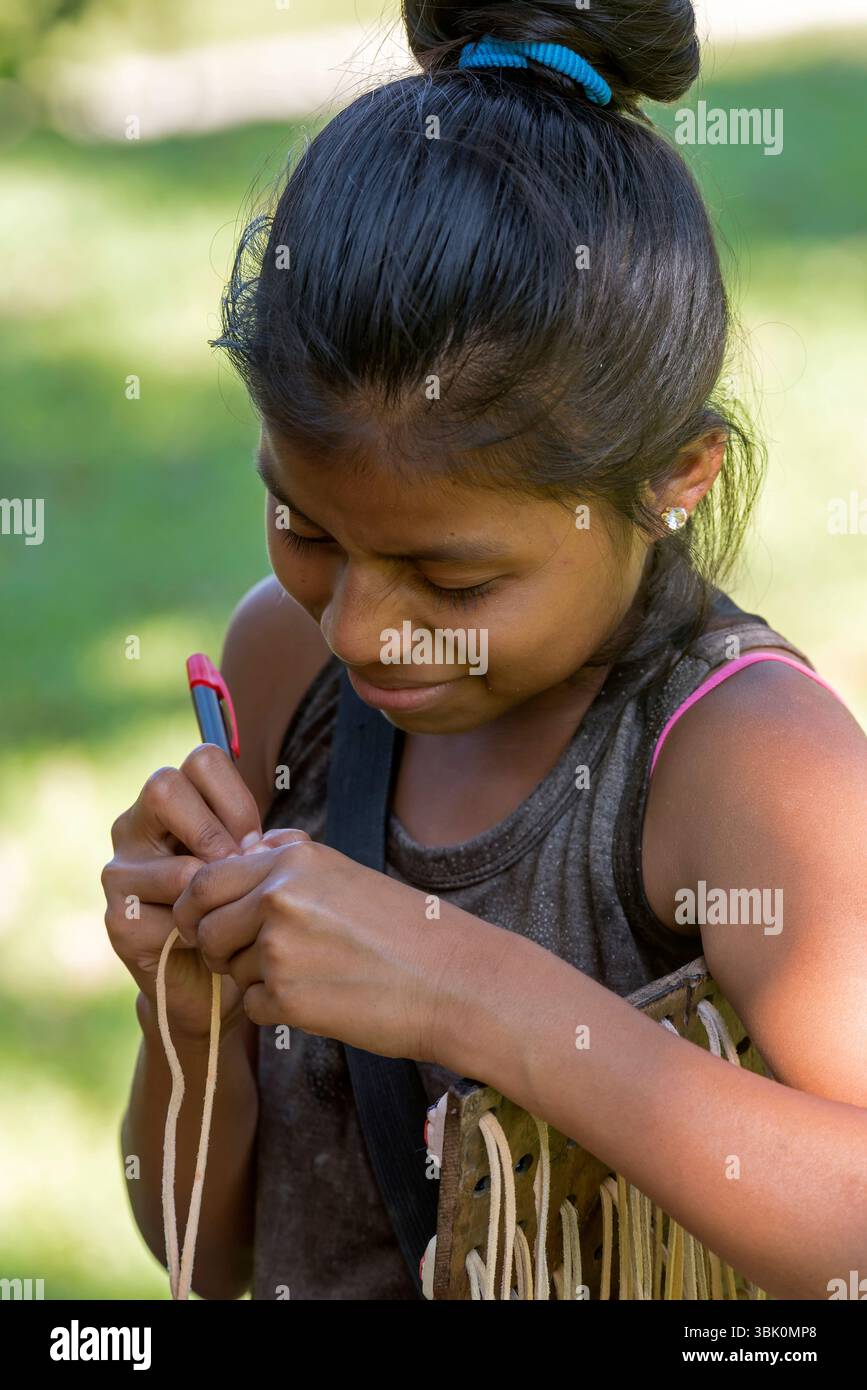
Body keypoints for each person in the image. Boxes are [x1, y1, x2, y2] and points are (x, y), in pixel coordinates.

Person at [102, 0, 867, 1301]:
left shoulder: (745, 761)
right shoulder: (283, 670)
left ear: (675, 480)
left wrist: (460, 989)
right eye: (304, 525)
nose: (351, 626)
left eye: (450, 577)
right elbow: (198, 1250)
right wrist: (188, 1009)